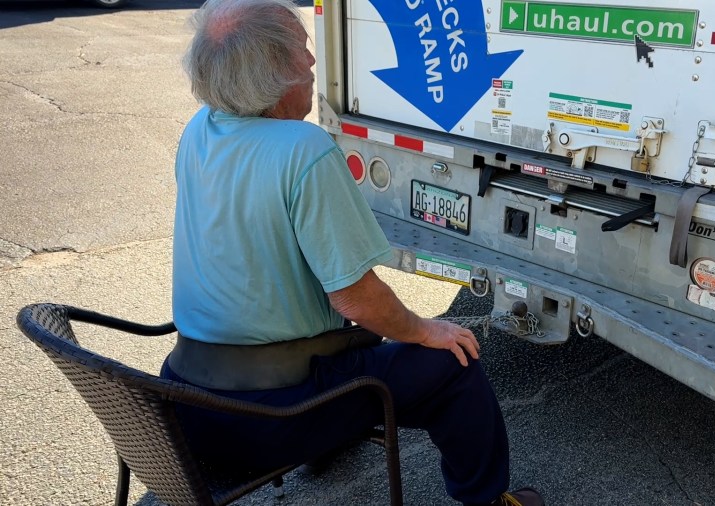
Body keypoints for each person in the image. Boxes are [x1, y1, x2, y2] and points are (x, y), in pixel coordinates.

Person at [160, 0, 545, 504]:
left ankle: (329, 439)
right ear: (274, 75)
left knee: (339, 336)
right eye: (302, 53)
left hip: (186, 405)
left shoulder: (199, 131)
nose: (313, 63)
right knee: (456, 366)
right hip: (272, 417)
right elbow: (356, 298)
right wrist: (427, 329)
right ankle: (488, 499)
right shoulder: (303, 148)